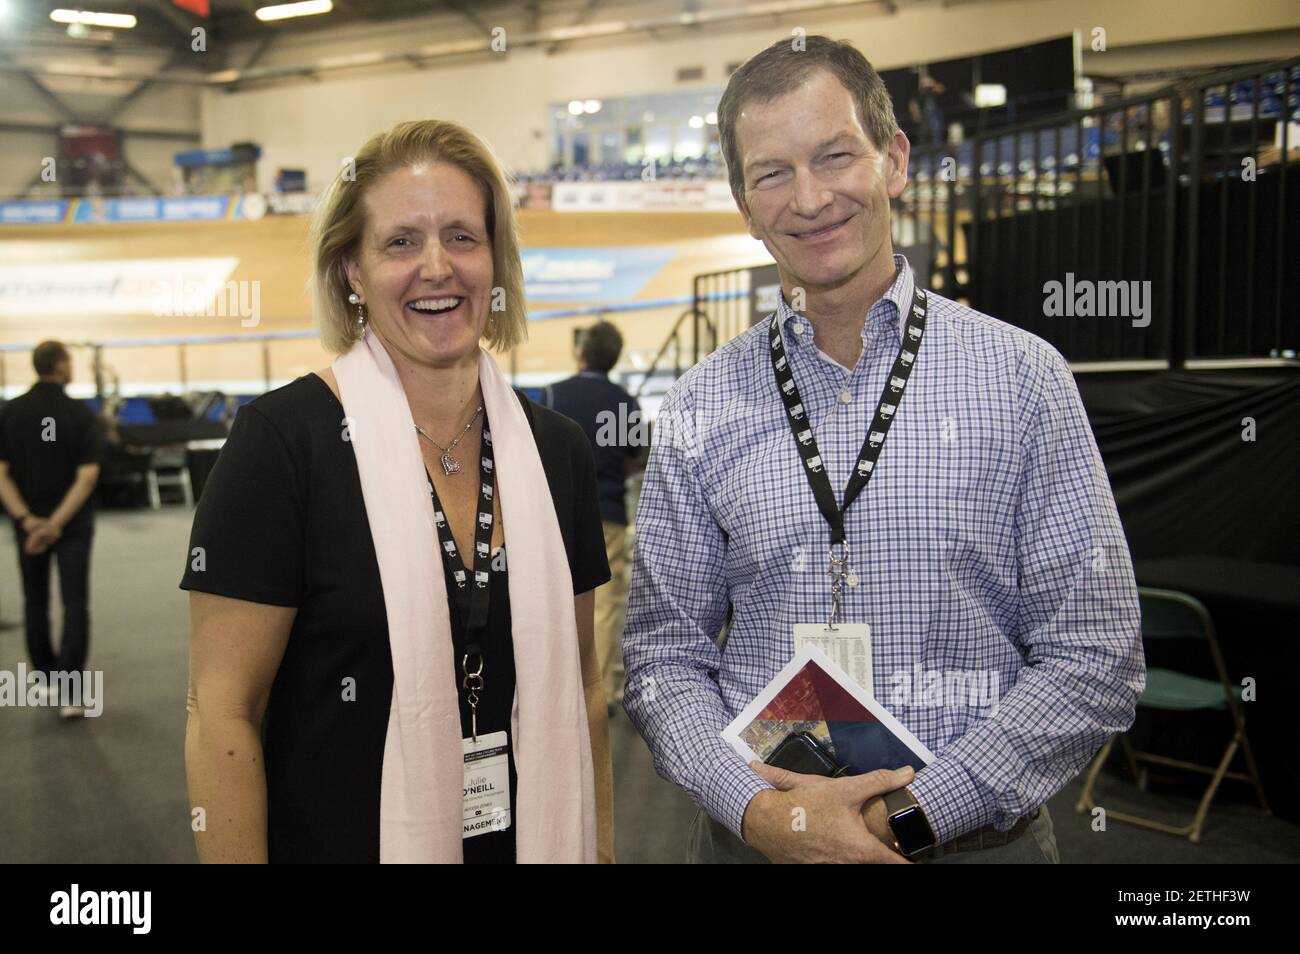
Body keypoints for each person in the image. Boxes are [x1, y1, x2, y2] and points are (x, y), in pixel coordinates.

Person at [622, 36, 1146, 864]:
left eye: (836, 156)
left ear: (893, 160)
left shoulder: (1022, 379)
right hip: (758, 846)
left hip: (979, 847)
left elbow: (1095, 655)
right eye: (771, 174)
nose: (810, 197)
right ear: (743, 204)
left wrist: (910, 814)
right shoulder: (701, 404)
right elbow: (661, 658)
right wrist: (763, 814)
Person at [181, 119, 613, 864]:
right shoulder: (281, 445)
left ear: (495, 260)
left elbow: (583, 685)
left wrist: (600, 849)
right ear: (351, 269)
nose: (437, 267)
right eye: (401, 242)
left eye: (461, 236)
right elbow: (221, 711)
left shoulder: (556, 453)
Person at [540, 321, 648, 707]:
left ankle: (547, 686)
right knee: (603, 605)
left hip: (551, 517)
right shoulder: (626, 403)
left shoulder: (551, 396)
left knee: (547, 599)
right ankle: (595, 693)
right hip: (608, 512)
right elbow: (633, 460)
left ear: (581, 352)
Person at [0, 340, 103, 720]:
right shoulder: (79, 414)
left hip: (28, 523)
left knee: (35, 600)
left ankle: (44, 679)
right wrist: (56, 524)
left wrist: (28, 520)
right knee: (74, 602)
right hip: (72, 524)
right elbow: (88, 476)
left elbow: (1, 475)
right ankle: (71, 692)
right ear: (60, 365)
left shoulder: (11, 412)